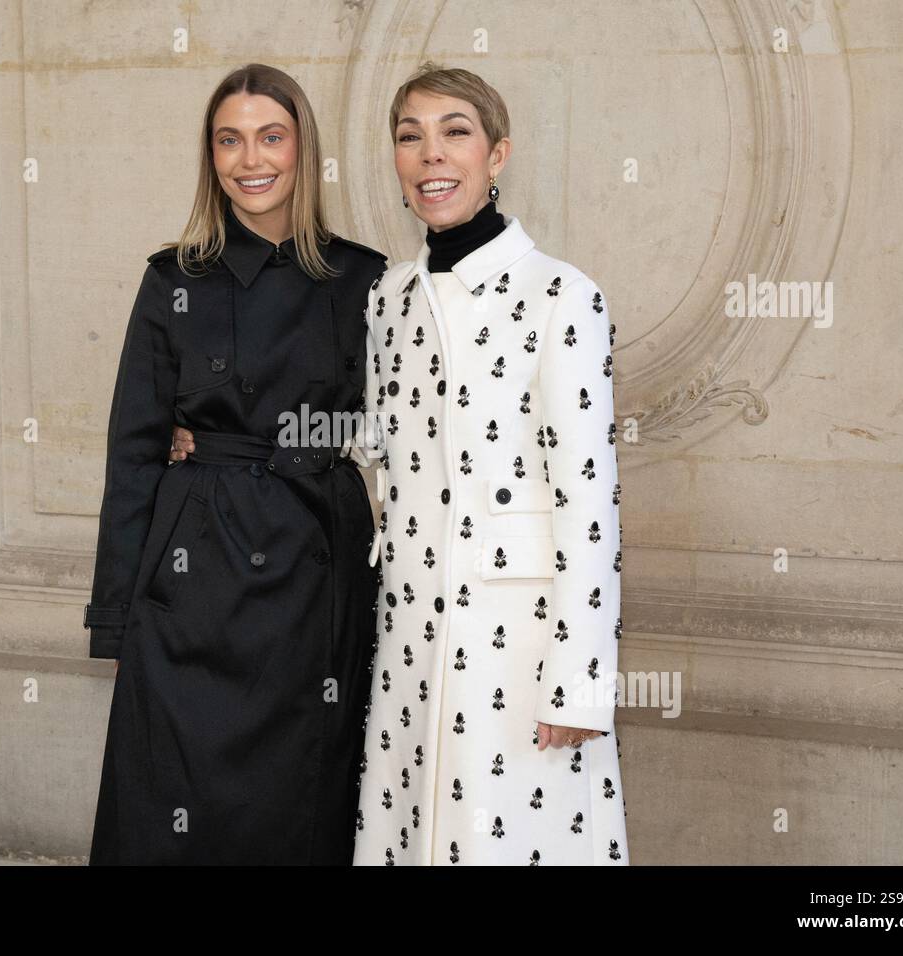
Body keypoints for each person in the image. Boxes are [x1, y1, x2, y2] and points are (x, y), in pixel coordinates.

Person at [176, 61, 630, 865]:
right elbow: (369, 434)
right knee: (410, 834)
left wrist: (581, 677)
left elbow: (590, 497)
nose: (431, 156)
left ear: (497, 156)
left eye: (455, 133)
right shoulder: (389, 295)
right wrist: (218, 435)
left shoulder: (562, 294)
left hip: (517, 637)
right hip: (409, 621)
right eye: (410, 137)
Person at [86, 63, 386, 865]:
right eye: (229, 139)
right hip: (194, 573)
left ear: (302, 150)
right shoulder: (171, 279)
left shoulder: (366, 278)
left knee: (304, 794)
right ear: (210, 157)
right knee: (176, 792)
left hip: (316, 566)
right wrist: (115, 611)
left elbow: (391, 426)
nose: (250, 158)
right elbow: (134, 450)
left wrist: (293, 442)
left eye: (270, 136)